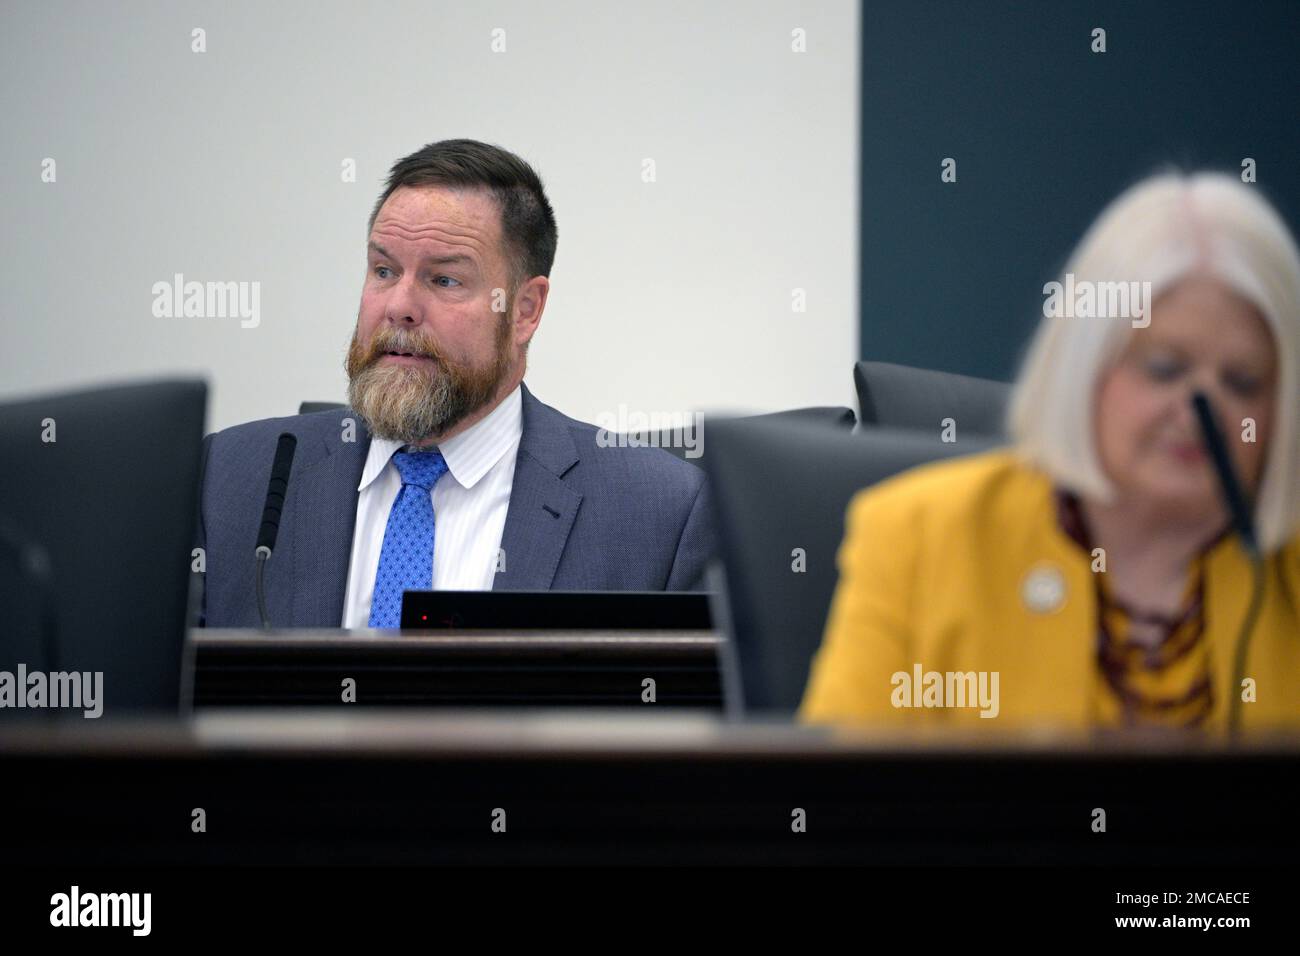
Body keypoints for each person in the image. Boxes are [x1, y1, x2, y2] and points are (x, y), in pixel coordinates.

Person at [800, 171, 1300, 732]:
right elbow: (838, 806)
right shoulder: (917, 539)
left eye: (1243, 381)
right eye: (1164, 368)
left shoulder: (1285, 571)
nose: (1198, 411)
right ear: (1082, 367)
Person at [196, 139, 714, 627]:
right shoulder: (229, 480)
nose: (398, 306)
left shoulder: (658, 515)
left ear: (525, 310)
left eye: (444, 280)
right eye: (382, 270)